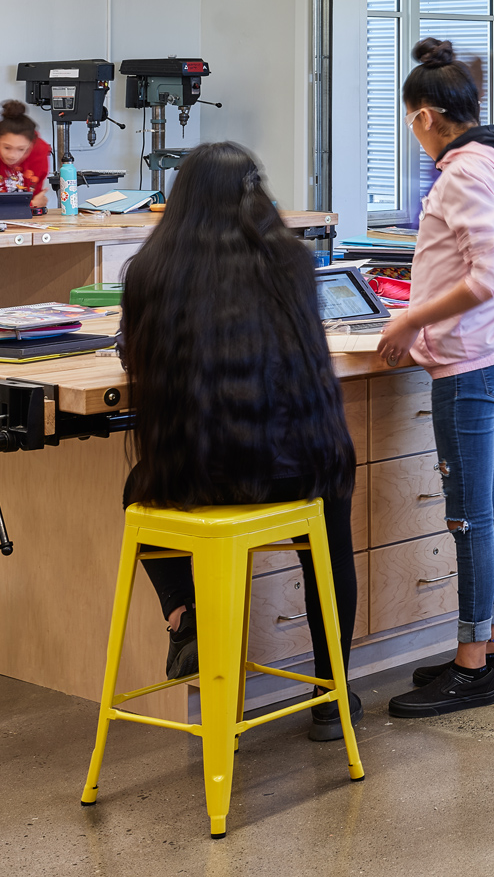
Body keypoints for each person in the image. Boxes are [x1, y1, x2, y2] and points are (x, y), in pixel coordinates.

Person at [119, 141, 362, 742]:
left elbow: (137, 355)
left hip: (199, 474)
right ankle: (332, 696)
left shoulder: (152, 269)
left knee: (136, 488)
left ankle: (185, 616)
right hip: (296, 471)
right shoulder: (290, 262)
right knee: (329, 539)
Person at [376, 38, 494, 718]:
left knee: (468, 518)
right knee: (487, 512)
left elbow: (492, 274)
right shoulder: (489, 162)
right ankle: (487, 649)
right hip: (489, 351)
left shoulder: (463, 174)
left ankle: (472, 666)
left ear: (425, 118)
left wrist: (410, 320)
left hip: (469, 363)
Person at [0, 99, 52, 207]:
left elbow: (34, 195)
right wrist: (32, 204)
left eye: (21, 149)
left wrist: (33, 203)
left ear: (31, 145)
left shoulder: (40, 151)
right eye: (7, 147)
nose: (13, 155)